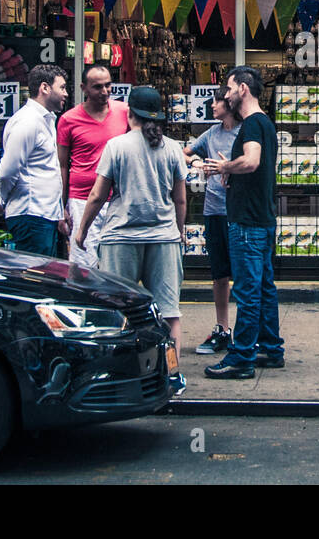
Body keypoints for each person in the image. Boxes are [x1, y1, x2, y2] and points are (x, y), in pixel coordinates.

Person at [75, 85, 188, 393]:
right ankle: (172, 374)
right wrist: (179, 231)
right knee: (169, 312)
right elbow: (180, 199)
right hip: (163, 236)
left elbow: (98, 195)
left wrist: (83, 229)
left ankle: (119, 375)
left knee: (118, 310)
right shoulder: (173, 148)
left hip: (120, 237)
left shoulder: (117, 146)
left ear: (130, 113)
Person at [201, 66, 283, 379]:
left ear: (243, 90)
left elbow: (251, 161)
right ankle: (270, 348)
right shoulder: (265, 123)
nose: (227, 94)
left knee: (248, 291)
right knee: (263, 287)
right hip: (260, 217)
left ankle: (241, 358)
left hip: (247, 222)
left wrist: (226, 166)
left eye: (230, 88)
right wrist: (231, 173)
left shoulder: (251, 124)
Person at [0, 64, 69, 257]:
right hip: (32, 215)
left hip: (43, 215)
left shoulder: (46, 120)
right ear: (45, 88)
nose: (66, 94)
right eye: (62, 87)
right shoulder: (28, 122)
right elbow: (8, 171)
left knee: (44, 276)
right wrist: (0, 199)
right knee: (36, 277)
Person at [184, 88, 242, 354]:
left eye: (216, 101)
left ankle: (244, 330)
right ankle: (222, 327)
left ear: (229, 104)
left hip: (237, 211)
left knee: (242, 274)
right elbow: (185, 152)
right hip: (214, 210)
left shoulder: (244, 133)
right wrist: (196, 160)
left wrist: (229, 167)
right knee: (219, 274)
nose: (212, 106)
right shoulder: (211, 133)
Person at [58, 65, 130, 268]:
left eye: (108, 85)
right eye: (98, 87)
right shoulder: (68, 119)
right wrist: (61, 206)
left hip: (117, 198)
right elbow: (62, 165)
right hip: (81, 199)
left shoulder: (124, 112)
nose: (105, 91)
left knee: (117, 263)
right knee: (83, 265)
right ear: (84, 88)